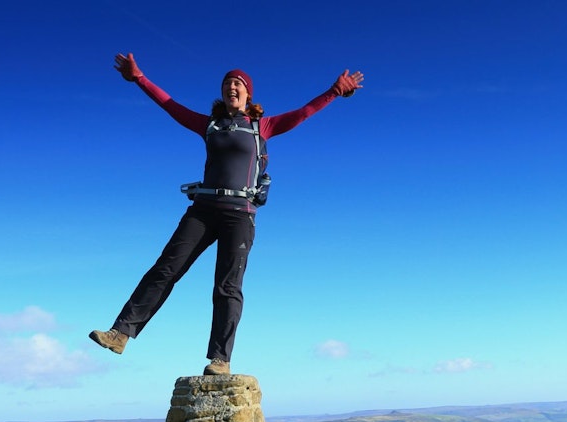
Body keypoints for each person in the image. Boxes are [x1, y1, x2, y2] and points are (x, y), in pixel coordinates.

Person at [89, 53, 363, 376]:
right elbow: (170, 105)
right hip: (203, 210)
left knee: (227, 286)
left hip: (240, 214)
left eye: (238, 83)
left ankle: (220, 359)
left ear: (248, 94)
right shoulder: (209, 126)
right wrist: (139, 78)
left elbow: (303, 113)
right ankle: (121, 333)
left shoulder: (263, 126)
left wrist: (333, 91)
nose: (232, 87)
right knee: (165, 269)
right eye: (227, 84)